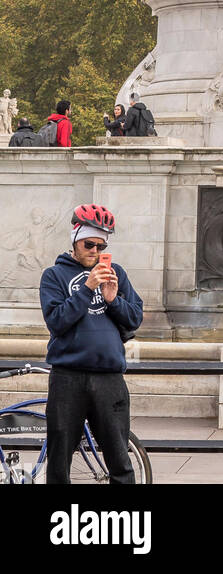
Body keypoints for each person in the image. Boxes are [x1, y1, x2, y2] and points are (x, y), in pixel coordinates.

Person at [39, 203, 143, 484]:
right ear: (75, 240)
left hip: (109, 378)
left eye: (101, 246)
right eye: (89, 244)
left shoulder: (115, 273)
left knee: (119, 457)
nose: (95, 251)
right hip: (68, 378)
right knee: (59, 459)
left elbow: (134, 318)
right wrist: (86, 289)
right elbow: (57, 322)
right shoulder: (53, 276)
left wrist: (112, 300)